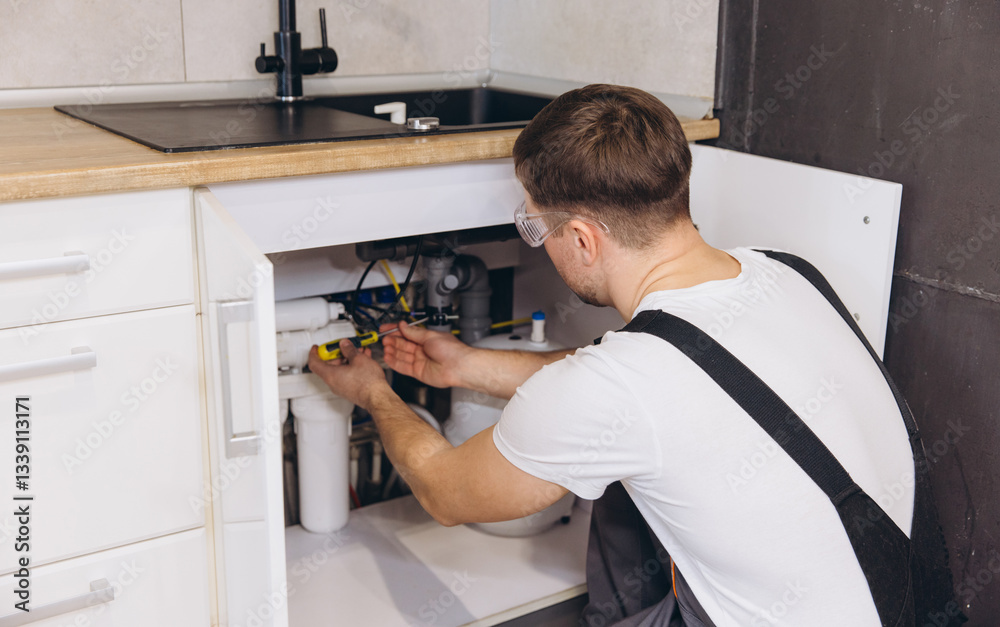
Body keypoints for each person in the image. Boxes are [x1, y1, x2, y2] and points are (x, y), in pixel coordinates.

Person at [307, 84, 916, 625]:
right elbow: (645, 386)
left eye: (536, 227)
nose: (541, 243)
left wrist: (373, 393)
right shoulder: (784, 273)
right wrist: (466, 366)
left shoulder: (620, 385)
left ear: (581, 238)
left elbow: (445, 492)